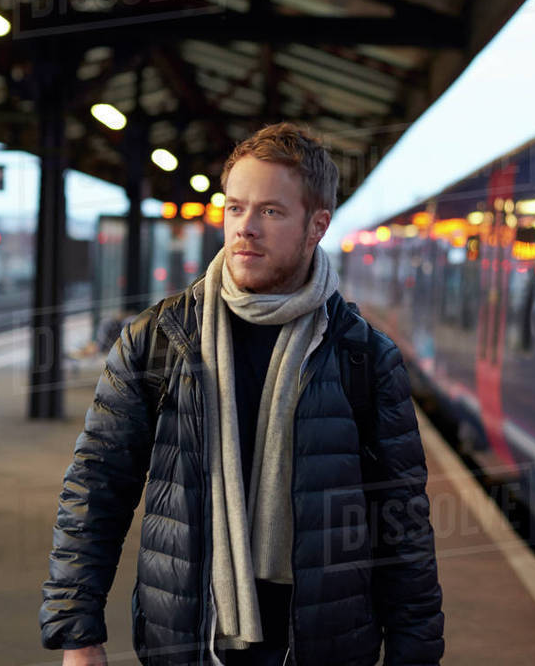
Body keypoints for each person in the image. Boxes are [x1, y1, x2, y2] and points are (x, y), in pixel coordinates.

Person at [40, 123, 444, 666]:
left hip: (324, 644)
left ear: (316, 226)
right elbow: (96, 489)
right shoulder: (159, 341)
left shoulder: (363, 358)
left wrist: (414, 654)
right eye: (235, 208)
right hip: (186, 638)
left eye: (271, 212)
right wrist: (77, 633)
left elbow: (402, 523)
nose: (245, 228)